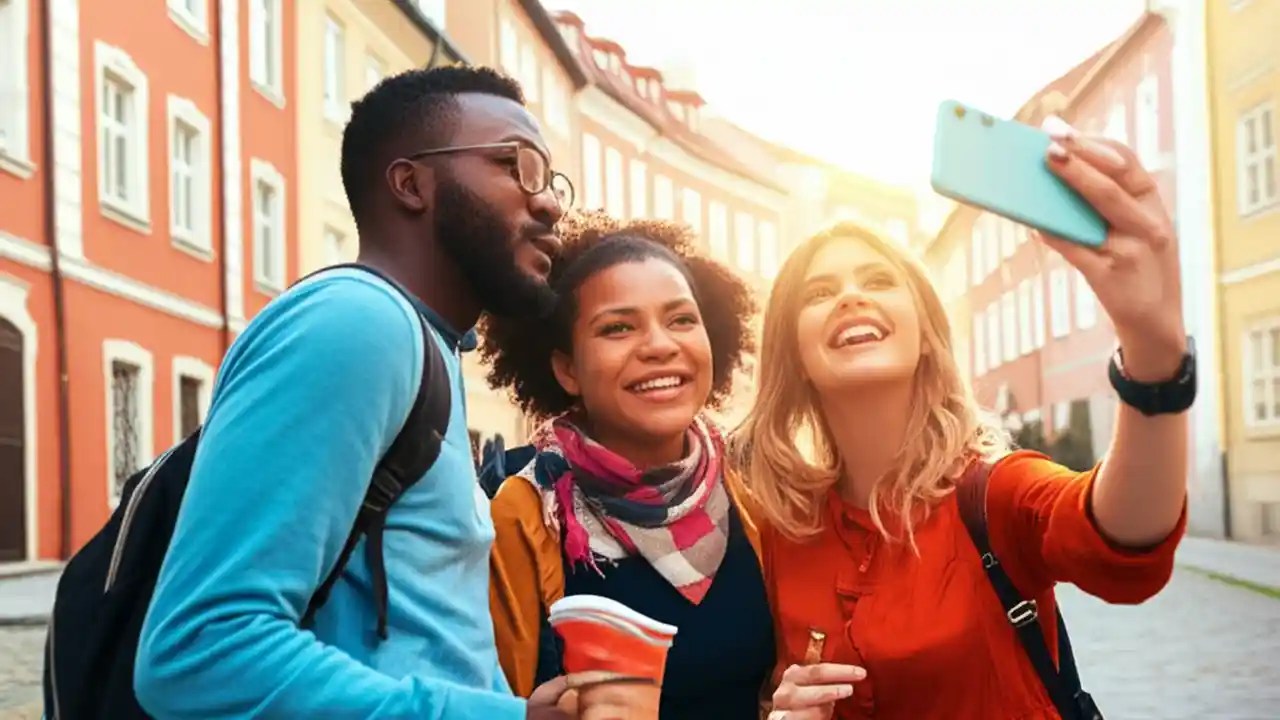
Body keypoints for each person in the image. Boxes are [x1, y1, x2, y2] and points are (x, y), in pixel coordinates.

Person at [134, 65, 580, 719]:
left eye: (550, 179)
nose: (548, 202)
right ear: (411, 184)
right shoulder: (358, 323)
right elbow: (201, 650)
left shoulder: (425, 346)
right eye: (517, 165)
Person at [736, 117, 1193, 720]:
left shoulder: (993, 494)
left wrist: (1153, 354)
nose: (851, 296)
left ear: (926, 334)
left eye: (877, 281)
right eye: (818, 293)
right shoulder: (780, 532)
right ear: (793, 352)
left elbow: (1123, 541)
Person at [480, 211, 776, 719]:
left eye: (682, 319)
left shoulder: (753, 494)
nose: (661, 345)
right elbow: (480, 694)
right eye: (618, 327)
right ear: (567, 369)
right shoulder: (522, 516)